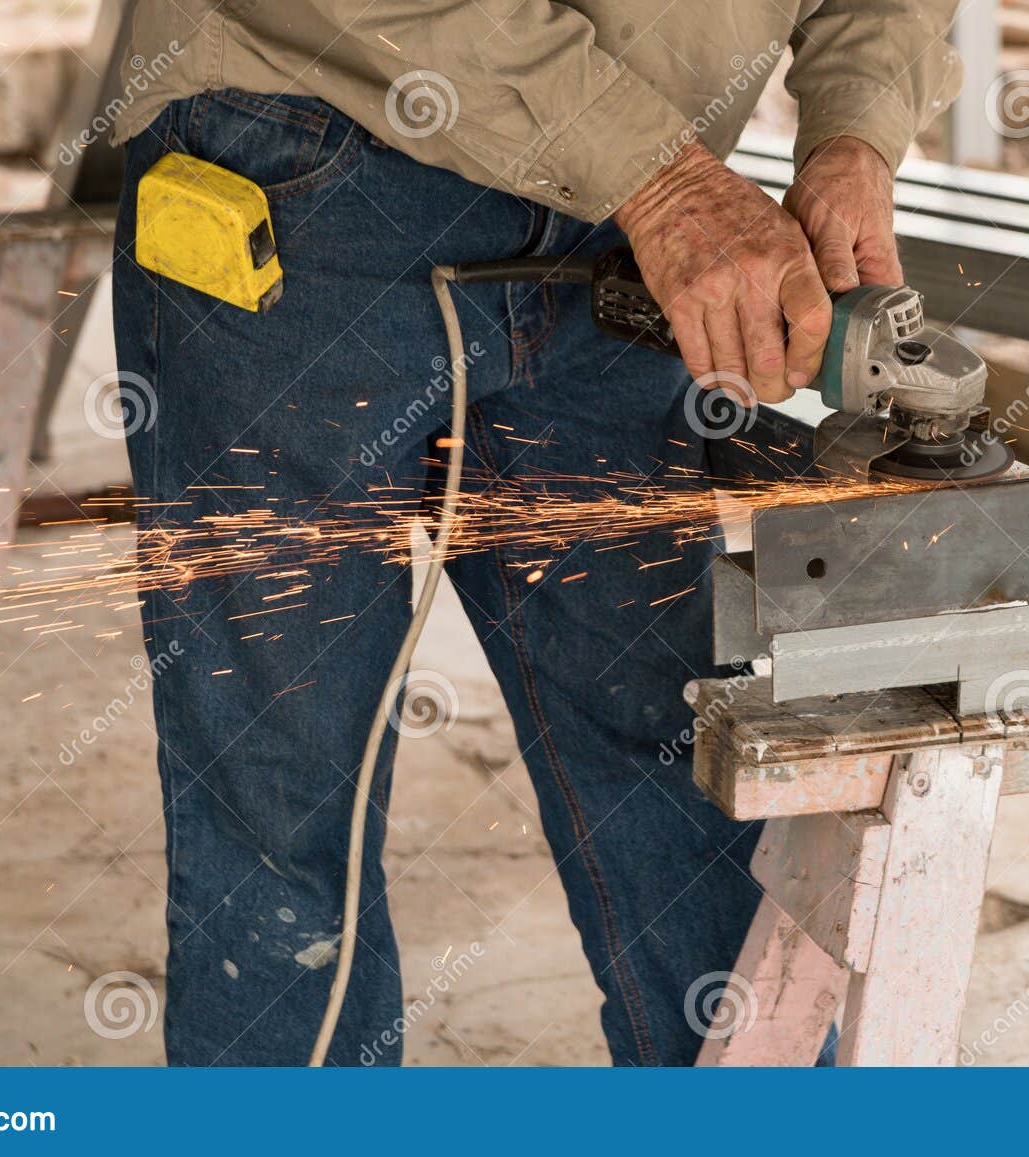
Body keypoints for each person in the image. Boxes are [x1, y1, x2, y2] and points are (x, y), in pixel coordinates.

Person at [110, 1, 962, 1066]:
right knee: (282, 776)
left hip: (634, 219)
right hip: (318, 157)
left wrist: (857, 126)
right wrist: (662, 178)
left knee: (665, 735)